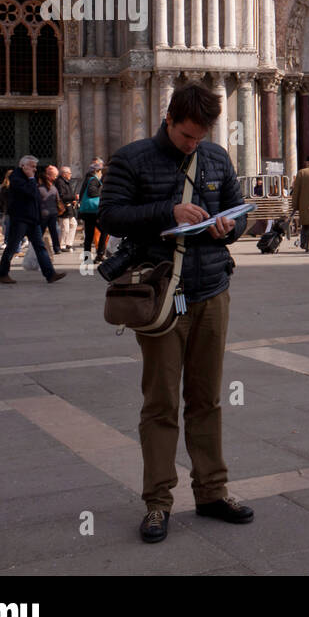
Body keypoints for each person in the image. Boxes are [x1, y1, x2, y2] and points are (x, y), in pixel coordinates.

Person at [98, 82, 252, 544]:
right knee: (161, 402)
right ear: (168, 119)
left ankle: (211, 491)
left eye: (201, 136)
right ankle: (158, 503)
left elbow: (237, 212)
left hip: (211, 290)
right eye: (187, 136)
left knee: (206, 399)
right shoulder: (132, 158)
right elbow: (109, 216)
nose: (194, 144)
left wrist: (227, 226)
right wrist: (169, 210)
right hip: (164, 294)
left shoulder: (217, 158)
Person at [0, 157, 67, 284]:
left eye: (35, 167)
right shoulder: (16, 178)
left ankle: (50, 274)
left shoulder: (30, 179)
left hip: (32, 219)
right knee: (12, 247)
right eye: (32, 166)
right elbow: (30, 192)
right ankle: (2, 274)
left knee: (40, 247)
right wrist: (30, 178)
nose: (35, 169)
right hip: (20, 218)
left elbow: (36, 195)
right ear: (24, 166)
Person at [78, 159, 105, 263]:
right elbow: (92, 193)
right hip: (94, 212)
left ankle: (87, 258)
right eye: (100, 171)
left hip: (87, 212)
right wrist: (102, 193)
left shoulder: (87, 179)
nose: (101, 173)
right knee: (104, 231)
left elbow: (82, 195)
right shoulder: (93, 180)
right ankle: (100, 255)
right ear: (96, 171)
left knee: (89, 235)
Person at [37, 165, 63, 254]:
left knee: (40, 231)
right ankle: (57, 248)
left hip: (43, 213)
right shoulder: (54, 188)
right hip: (53, 212)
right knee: (54, 232)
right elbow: (58, 199)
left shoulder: (39, 189)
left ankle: (36, 247)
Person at [56, 165, 79, 252]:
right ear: (64, 174)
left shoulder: (65, 182)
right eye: (69, 173)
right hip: (63, 209)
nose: (71, 175)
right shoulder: (60, 182)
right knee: (64, 227)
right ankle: (62, 245)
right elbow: (62, 196)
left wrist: (73, 199)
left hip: (69, 208)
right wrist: (74, 197)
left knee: (73, 224)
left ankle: (69, 243)